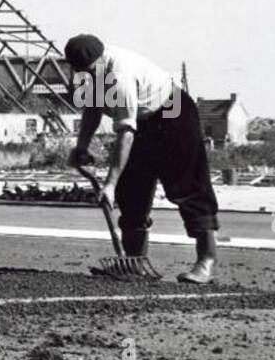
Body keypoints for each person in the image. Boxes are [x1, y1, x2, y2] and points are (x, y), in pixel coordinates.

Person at [64, 34, 219, 283]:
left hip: (173, 111)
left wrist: (109, 184)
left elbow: (126, 132)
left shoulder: (120, 75)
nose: (88, 76)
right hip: (144, 120)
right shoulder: (84, 74)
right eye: (83, 72)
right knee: (132, 188)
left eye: (92, 70)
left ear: (102, 59)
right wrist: (81, 147)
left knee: (188, 187)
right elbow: (92, 109)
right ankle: (134, 262)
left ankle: (207, 260)